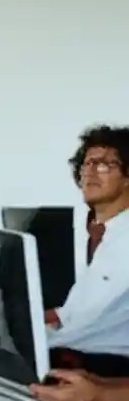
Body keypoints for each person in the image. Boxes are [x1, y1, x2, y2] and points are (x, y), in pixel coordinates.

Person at [45, 126, 129, 377]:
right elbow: (76, 311)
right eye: (87, 163)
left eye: (105, 165)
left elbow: (92, 321)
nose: (91, 171)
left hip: (104, 367)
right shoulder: (91, 233)